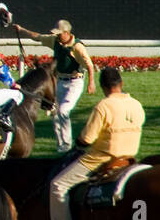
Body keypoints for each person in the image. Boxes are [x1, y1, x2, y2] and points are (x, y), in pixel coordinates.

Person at [47, 67, 143, 220]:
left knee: (57, 186)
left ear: (103, 87)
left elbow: (87, 139)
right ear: (121, 83)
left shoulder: (103, 106)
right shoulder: (136, 104)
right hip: (130, 157)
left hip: (100, 159)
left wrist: (78, 142)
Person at [14, 19, 97, 153]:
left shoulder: (77, 47)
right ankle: (61, 147)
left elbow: (89, 65)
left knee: (63, 111)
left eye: (59, 33)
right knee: (55, 112)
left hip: (74, 83)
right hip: (59, 81)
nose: (57, 35)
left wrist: (91, 82)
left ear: (67, 32)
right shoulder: (55, 41)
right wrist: (21, 30)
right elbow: (37, 36)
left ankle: (67, 145)